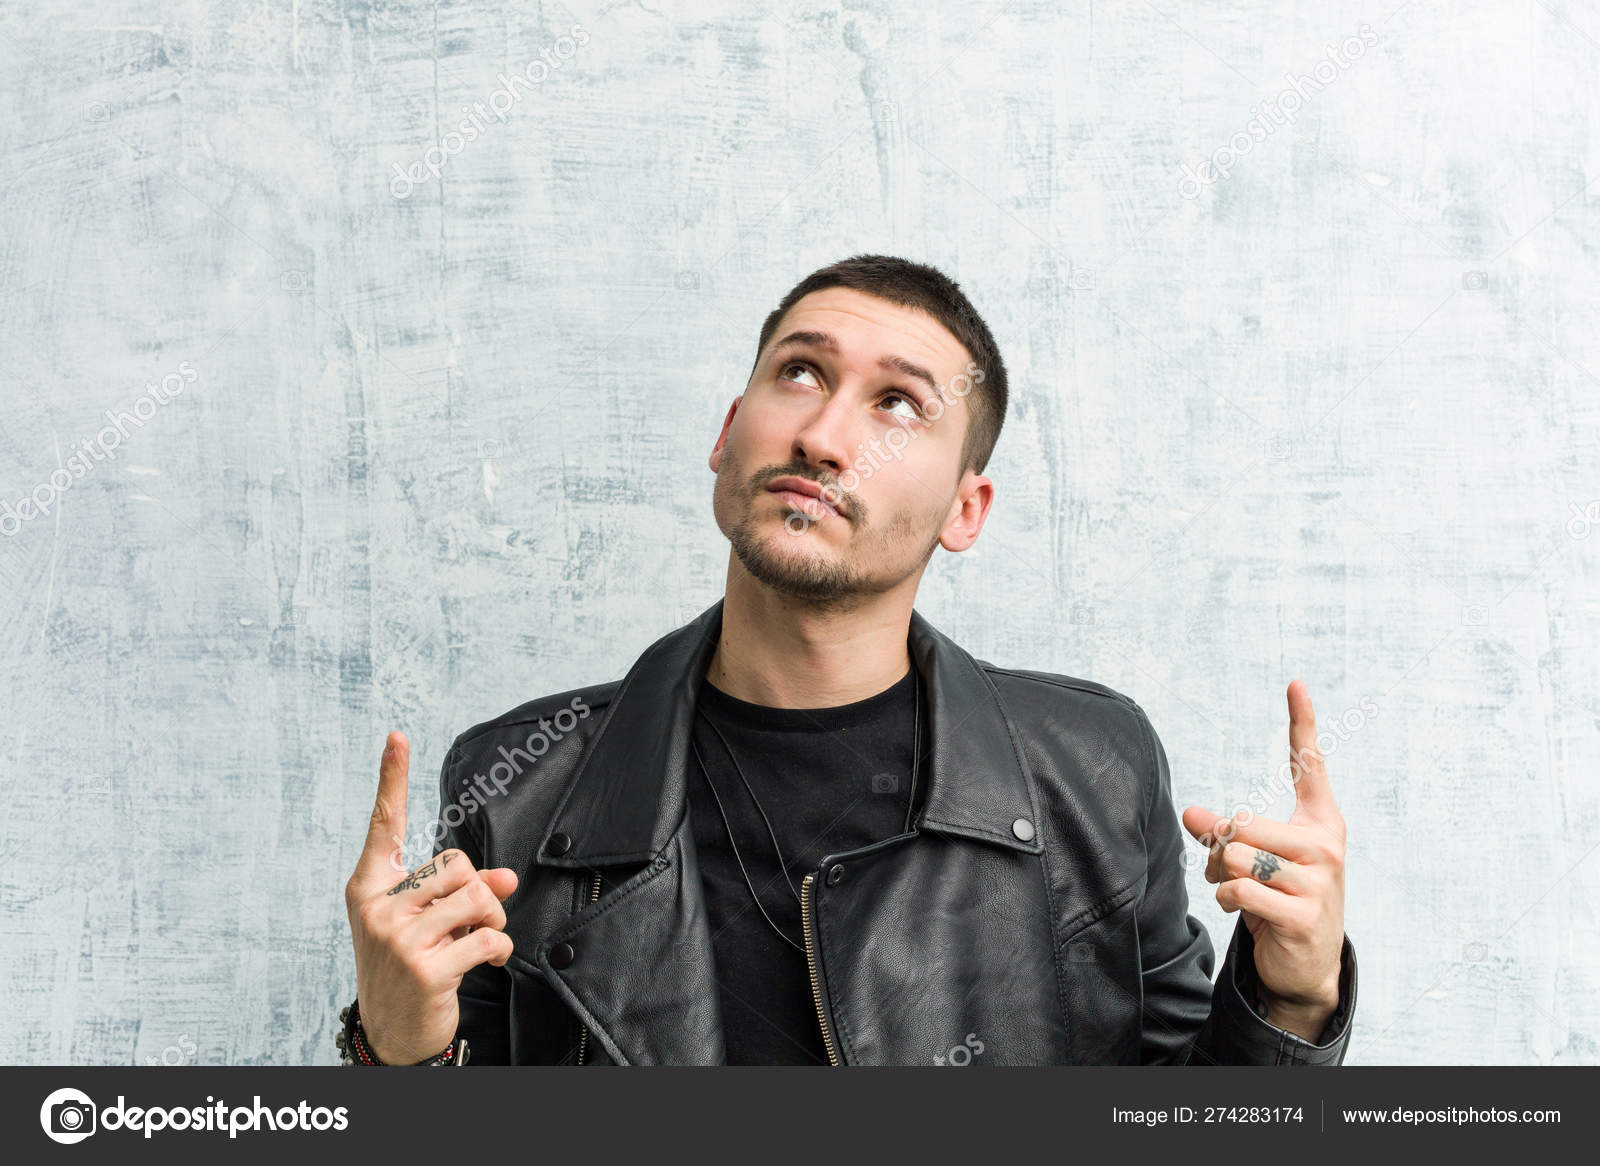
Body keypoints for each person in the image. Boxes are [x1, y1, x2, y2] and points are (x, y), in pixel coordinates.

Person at [339, 254, 1356, 1066]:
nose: (826, 436)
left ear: (965, 510)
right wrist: (396, 1051)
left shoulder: (1094, 766)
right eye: (800, 373)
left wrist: (1294, 995)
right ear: (728, 435)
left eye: (898, 403)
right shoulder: (521, 784)